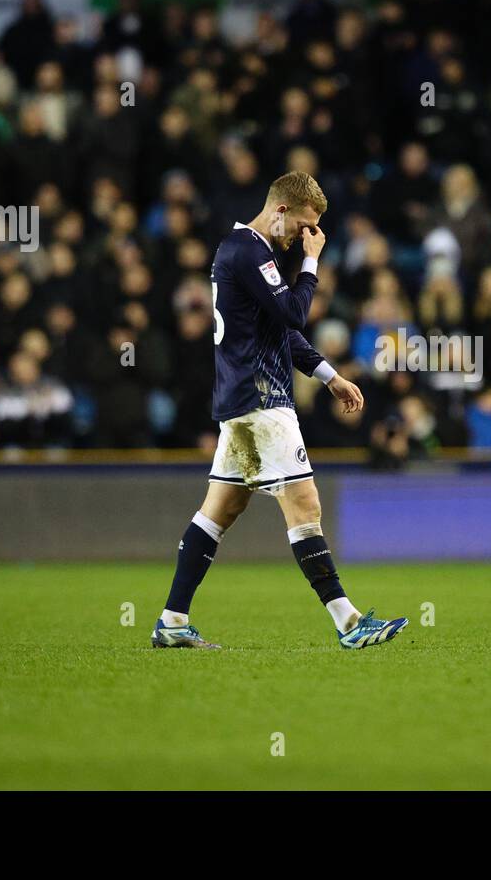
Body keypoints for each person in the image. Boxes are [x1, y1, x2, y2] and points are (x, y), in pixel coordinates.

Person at [153, 171, 407, 650]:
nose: (305, 237)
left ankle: (171, 620)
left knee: (220, 509)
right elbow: (293, 313)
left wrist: (331, 378)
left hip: (243, 400)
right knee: (305, 505)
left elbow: (282, 332)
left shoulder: (249, 253)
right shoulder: (248, 249)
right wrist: (313, 265)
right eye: (304, 225)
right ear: (281, 210)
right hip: (261, 398)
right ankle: (349, 623)